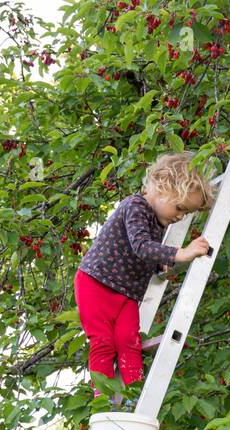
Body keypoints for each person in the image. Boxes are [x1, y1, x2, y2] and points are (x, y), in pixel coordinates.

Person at [75, 151, 216, 411]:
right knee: (103, 342)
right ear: (162, 187)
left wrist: (157, 263)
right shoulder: (136, 206)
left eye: (186, 213)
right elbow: (140, 245)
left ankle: (132, 400)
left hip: (127, 294)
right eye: (180, 208)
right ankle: (103, 402)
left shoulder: (158, 220)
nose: (180, 217)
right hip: (97, 284)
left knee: (130, 342)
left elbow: (141, 252)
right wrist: (179, 254)